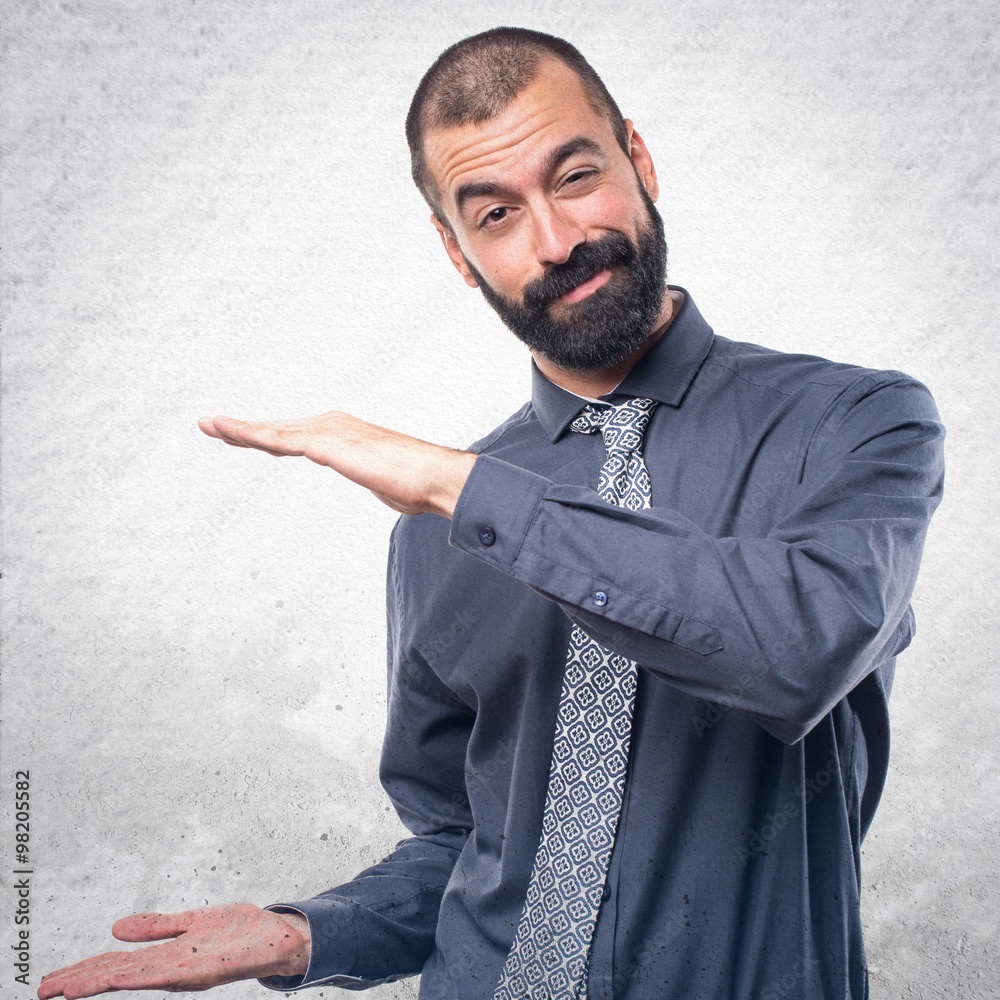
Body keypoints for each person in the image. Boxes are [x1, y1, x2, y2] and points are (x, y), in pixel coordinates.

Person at [38, 26, 944, 1000]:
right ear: (457, 252)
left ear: (638, 161)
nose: (555, 241)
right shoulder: (432, 526)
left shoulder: (852, 421)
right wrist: (314, 931)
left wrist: (465, 490)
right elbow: (467, 837)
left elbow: (799, 644)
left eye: (574, 176)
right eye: (496, 212)